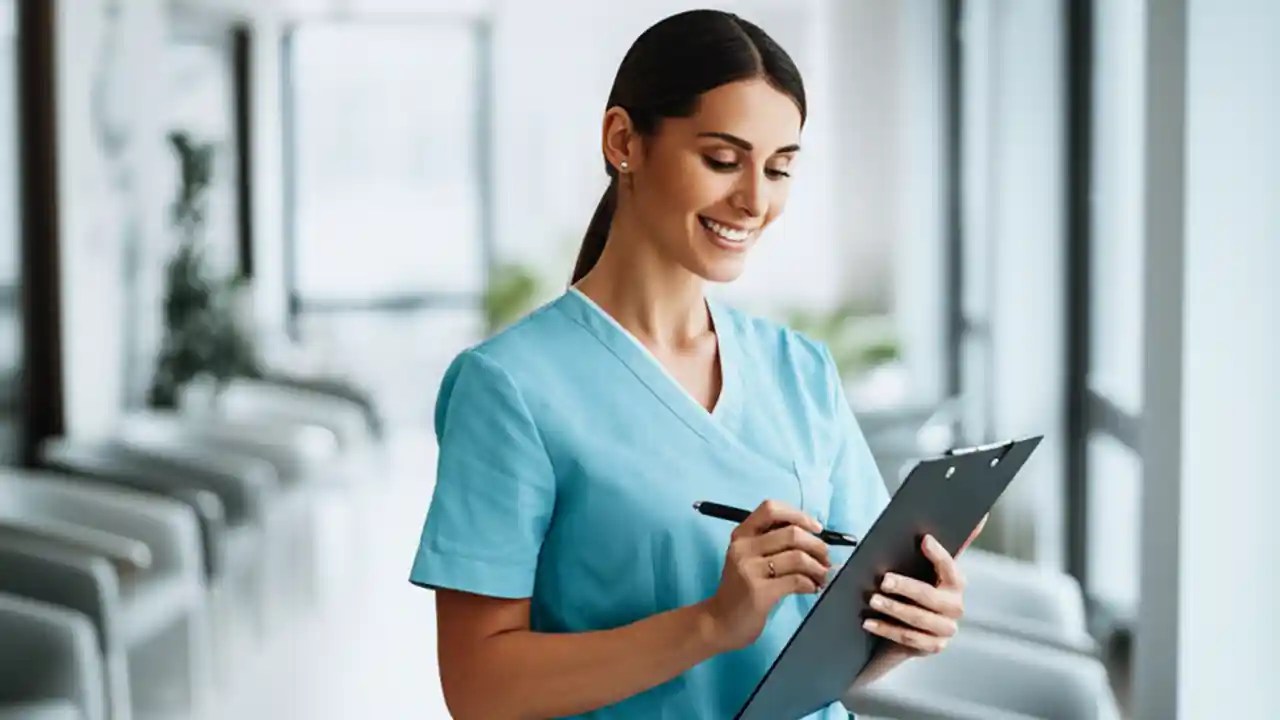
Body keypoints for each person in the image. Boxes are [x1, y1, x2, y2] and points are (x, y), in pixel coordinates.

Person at [409, 9, 982, 718]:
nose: (755, 199)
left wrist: (907, 629)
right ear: (624, 141)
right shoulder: (509, 388)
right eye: (721, 159)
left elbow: (822, 652)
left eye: (778, 169)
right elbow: (478, 689)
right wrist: (711, 624)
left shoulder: (799, 371)